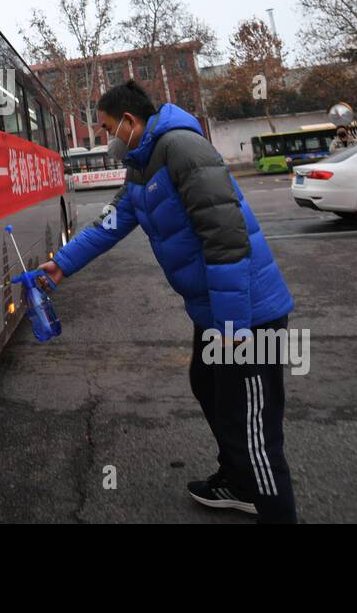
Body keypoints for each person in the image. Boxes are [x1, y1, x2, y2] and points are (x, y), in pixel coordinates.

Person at [37, 79, 298, 523]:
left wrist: (233, 326)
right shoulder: (141, 166)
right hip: (213, 311)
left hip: (248, 315)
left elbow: (227, 239)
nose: (105, 138)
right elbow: (109, 223)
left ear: (129, 121)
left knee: (252, 424)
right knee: (207, 383)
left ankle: (275, 510)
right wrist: (61, 264)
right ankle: (238, 480)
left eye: (104, 128)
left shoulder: (182, 149)